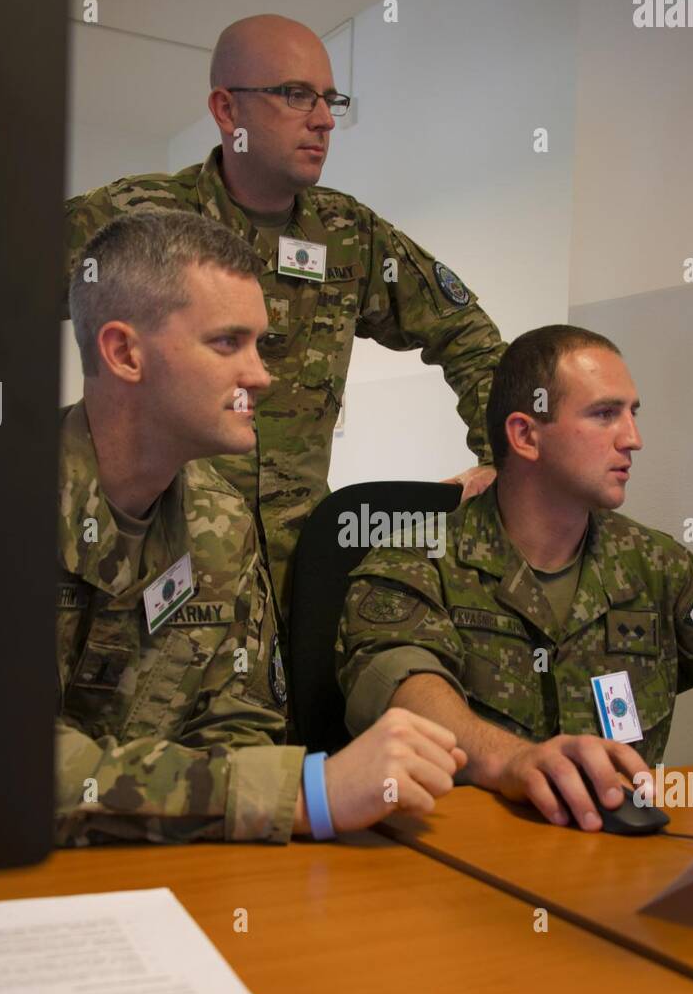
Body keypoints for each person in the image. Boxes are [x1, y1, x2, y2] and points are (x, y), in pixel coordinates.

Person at [64, 13, 503, 621]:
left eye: (330, 99)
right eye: (296, 95)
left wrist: (501, 461)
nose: (323, 119)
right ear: (227, 110)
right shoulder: (137, 216)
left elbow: (468, 335)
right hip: (160, 566)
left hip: (302, 570)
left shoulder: (350, 235)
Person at [56, 211, 465, 846]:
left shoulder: (218, 522)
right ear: (124, 352)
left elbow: (238, 723)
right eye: (227, 343)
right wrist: (298, 794)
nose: (261, 376)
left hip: (160, 880)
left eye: (260, 344)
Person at [336, 326, 693, 831]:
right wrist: (512, 761)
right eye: (606, 414)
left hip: (615, 862)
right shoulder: (415, 561)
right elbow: (406, 693)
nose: (633, 438)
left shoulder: (652, 565)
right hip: (462, 858)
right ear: (525, 436)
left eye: (632, 413)